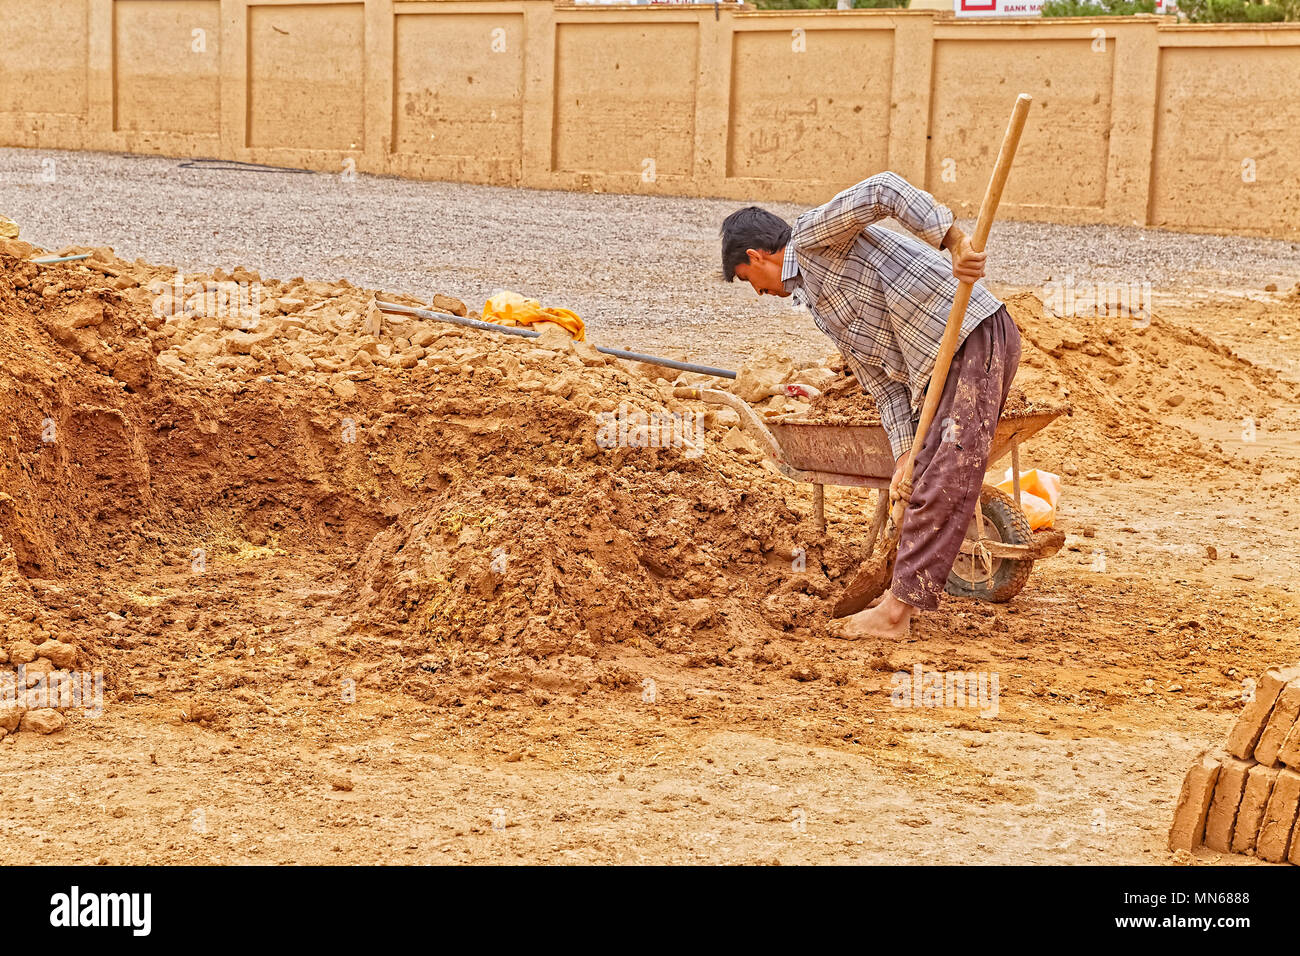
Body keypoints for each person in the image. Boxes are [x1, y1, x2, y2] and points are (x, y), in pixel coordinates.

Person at [720, 171, 1021, 640]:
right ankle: (898, 598)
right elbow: (882, 384)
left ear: (756, 256)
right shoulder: (819, 304)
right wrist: (902, 457)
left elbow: (883, 189)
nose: (758, 292)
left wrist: (954, 241)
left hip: (972, 334)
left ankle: (896, 613)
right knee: (924, 475)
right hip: (937, 364)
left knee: (945, 476)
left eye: (749, 279)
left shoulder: (814, 237)